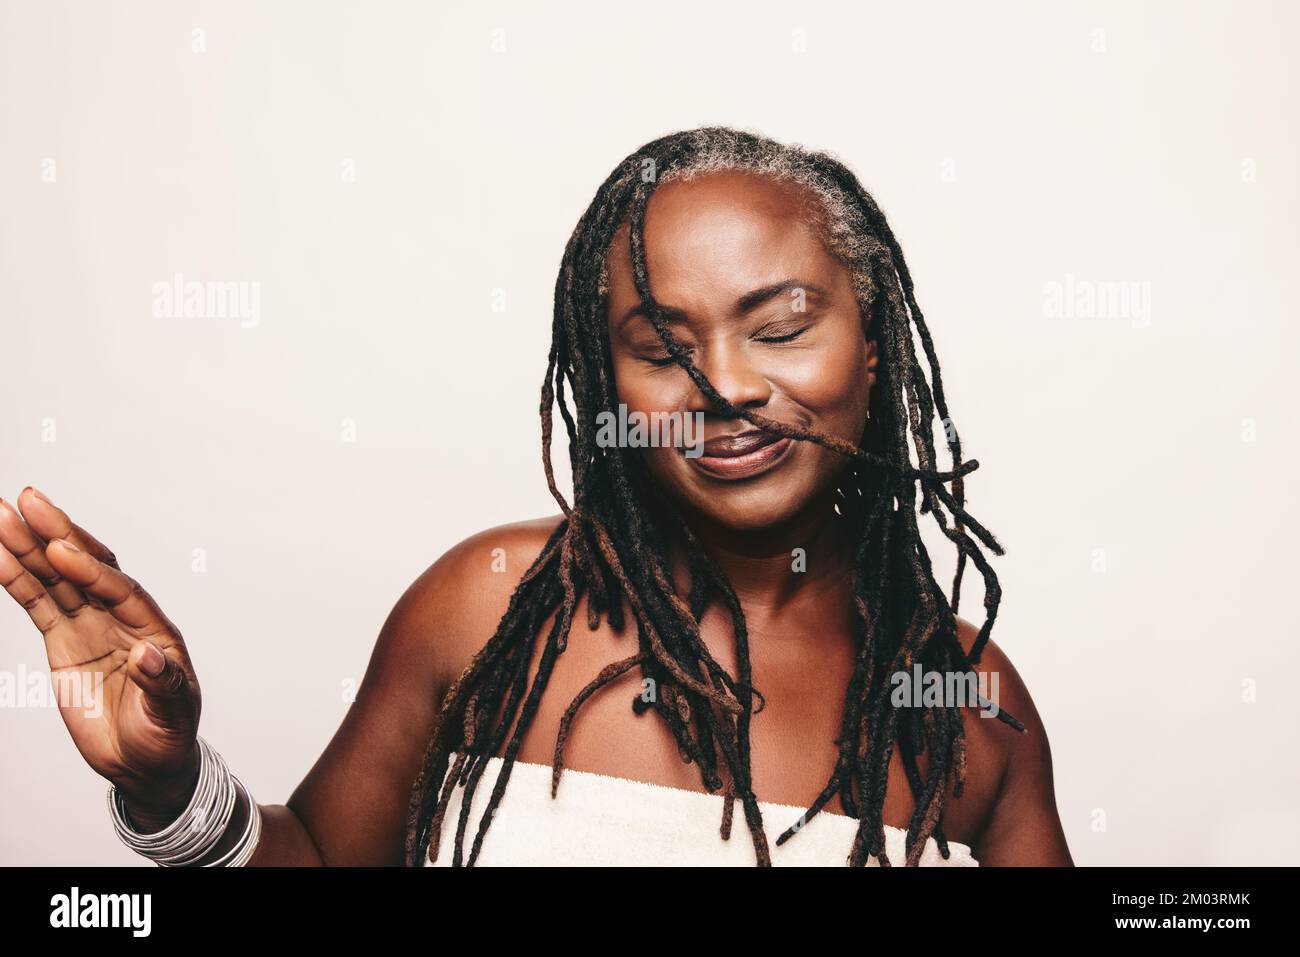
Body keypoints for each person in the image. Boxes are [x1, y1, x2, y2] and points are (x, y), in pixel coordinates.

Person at [0, 127, 1072, 867]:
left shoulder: (966, 707)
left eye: (782, 326)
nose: (728, 387)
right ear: (609, 384)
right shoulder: (494, 606)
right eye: (662, 347)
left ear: (876, 349)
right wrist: (169, 787)